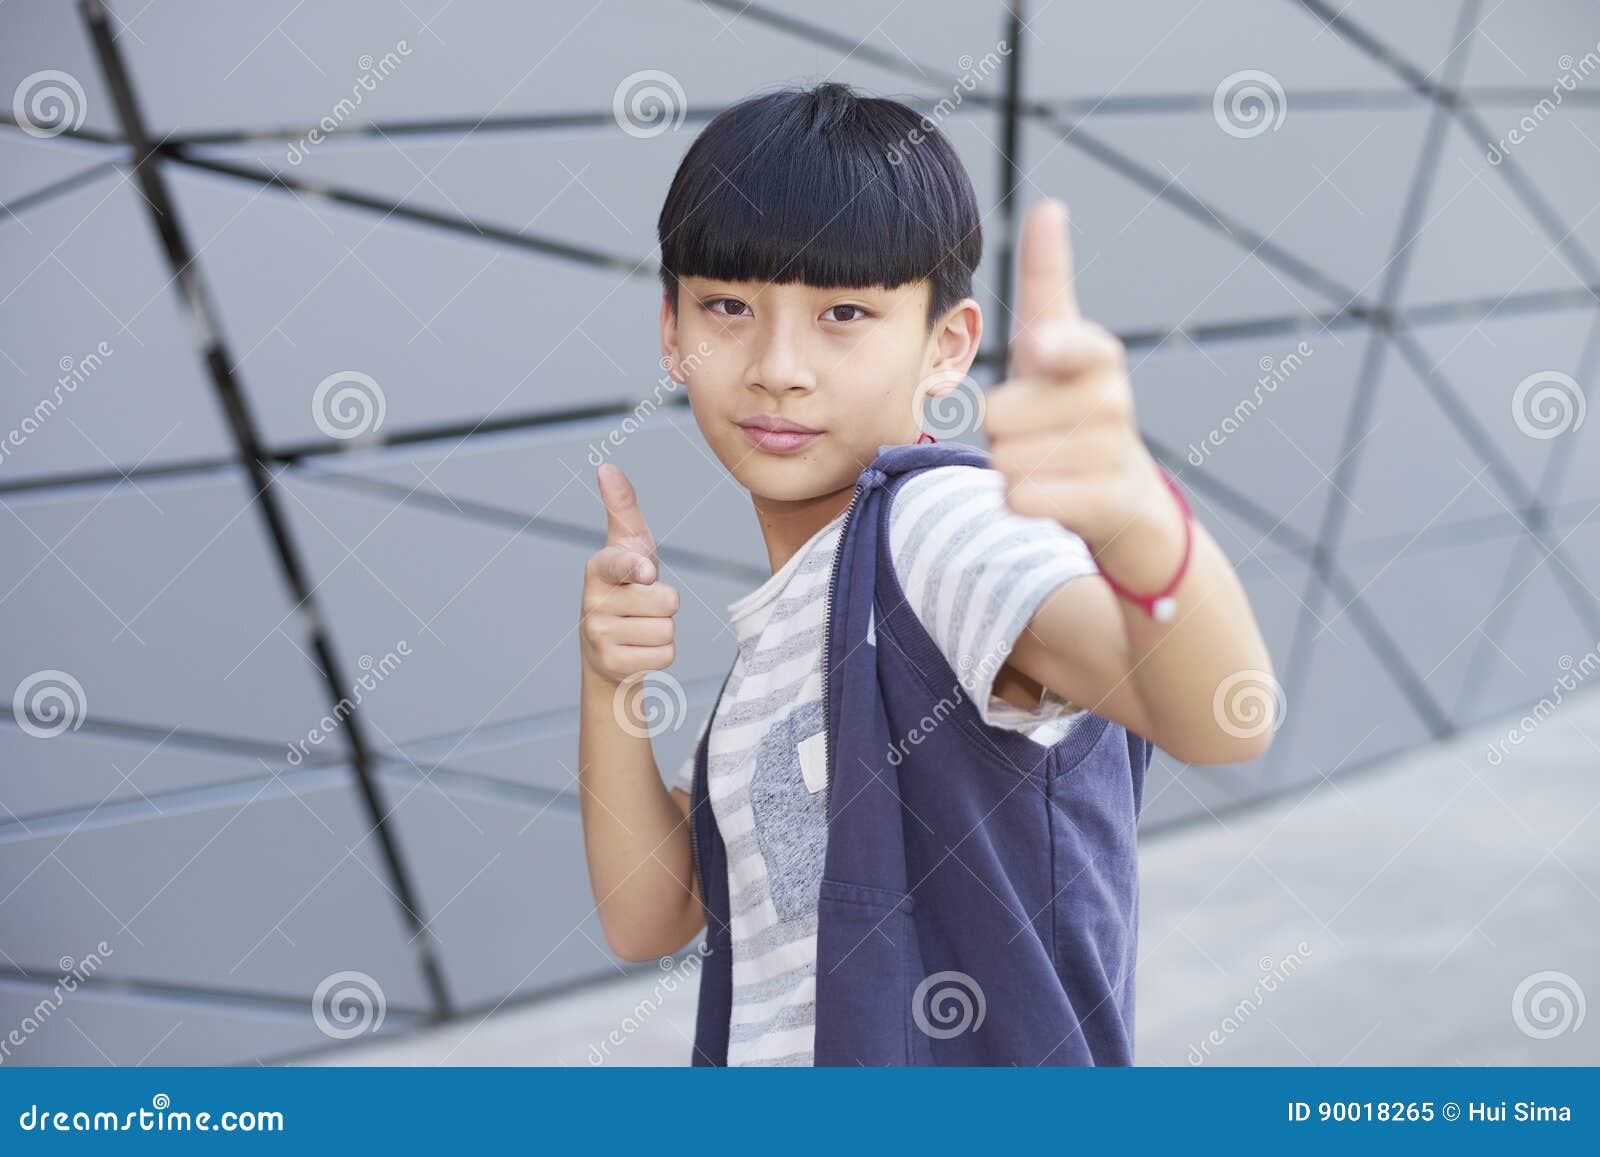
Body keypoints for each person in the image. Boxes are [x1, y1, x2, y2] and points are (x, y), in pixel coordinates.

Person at [576, 81, 1276, 1066]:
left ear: (946, 346)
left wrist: (1140, 522)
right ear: (671, 332)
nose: (779, 365)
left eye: (844, 311)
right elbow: (648, 914)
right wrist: (611, 680)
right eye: (728, 306)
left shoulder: (938, 527)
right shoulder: (804, 612)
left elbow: (1222, 718)